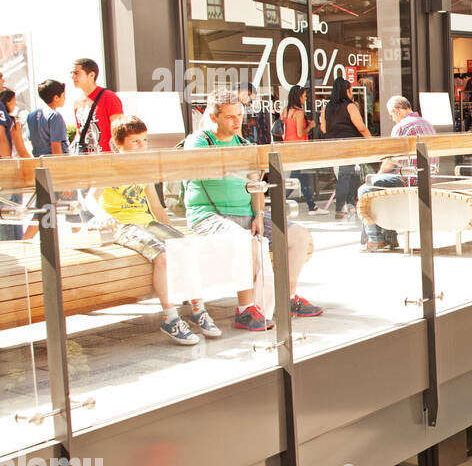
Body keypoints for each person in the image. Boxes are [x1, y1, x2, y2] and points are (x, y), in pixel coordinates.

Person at [183, 90, 323, 330]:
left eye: (240, 114)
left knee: (299, 235)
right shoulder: (199, 141)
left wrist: (258, 214)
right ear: (214, 117)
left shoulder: (246, 144)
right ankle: (246, 310)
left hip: (247, 214)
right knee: (242, 241)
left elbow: (257, 186)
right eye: (230, 117)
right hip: (208, 215)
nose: (238, 121)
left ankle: (287, 299)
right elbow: (201, 167)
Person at [81, 115, 220, 346]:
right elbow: (90, 200)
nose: (142, 146)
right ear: (118, 144)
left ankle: (198, 308)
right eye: (135, 142)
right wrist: (104, 216)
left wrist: (173, 231)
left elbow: (156, 206)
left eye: (144, 141)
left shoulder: (143, 168)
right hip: (122, 225)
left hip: (145, 221)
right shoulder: (109, 166)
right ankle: (170, 317)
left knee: (186, 247)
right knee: (162, 256)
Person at [356, 96, 436, 252]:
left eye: (391, 114)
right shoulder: (427, 124)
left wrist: (377, 175)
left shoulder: (402, 127)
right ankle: (389, 238)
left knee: (366, 189)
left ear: (397, 110)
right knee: (380, 189)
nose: (392, 119)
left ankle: (376, 239)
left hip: (409, 178)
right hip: (427, 177)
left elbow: (392, 160)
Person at [319, 75, 371, 220]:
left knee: (347, 174)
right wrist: (371, 140)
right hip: (348, 144)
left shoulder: (326, 107)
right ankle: (341, 207)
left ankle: (349, 204)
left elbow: (323, 128)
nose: (352, 93)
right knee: (346, 174)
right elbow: (360, 126)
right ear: (346, 91)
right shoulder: (350, 106)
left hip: (332, 145)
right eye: (351, 90)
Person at [281, 85, 323, 214]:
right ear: (298, 97)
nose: (305, 99)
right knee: (297, 176)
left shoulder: (285, 111)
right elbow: (300, 133)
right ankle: (279, 201)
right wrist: (310, 126)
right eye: (304, 96)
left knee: (303, 176)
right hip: (299, 148)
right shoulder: (299, 113)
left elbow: (284, 131)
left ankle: (312, 206)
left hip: (289, 146)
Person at [69, 57, 123, 154]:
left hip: (108, 157)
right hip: (87, 159)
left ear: (91, 75)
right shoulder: (77, 102)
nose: (72, 77)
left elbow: (120, 129)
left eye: (76, 73)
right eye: (71, 73)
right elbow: (79, 132)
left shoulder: (108, 97)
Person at [28, 80, 69, 157]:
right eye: (64, 95)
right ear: (56, 98)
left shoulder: (31, 116)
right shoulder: (55, 116)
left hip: (38, 161)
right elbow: (56, 147)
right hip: (53, 163)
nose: (65, 98)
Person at [0, 90, 31, 159]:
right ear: (8, 103)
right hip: (8, 161)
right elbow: (21, 149)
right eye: (14, 101)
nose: (16, 104)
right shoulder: (13, 123)